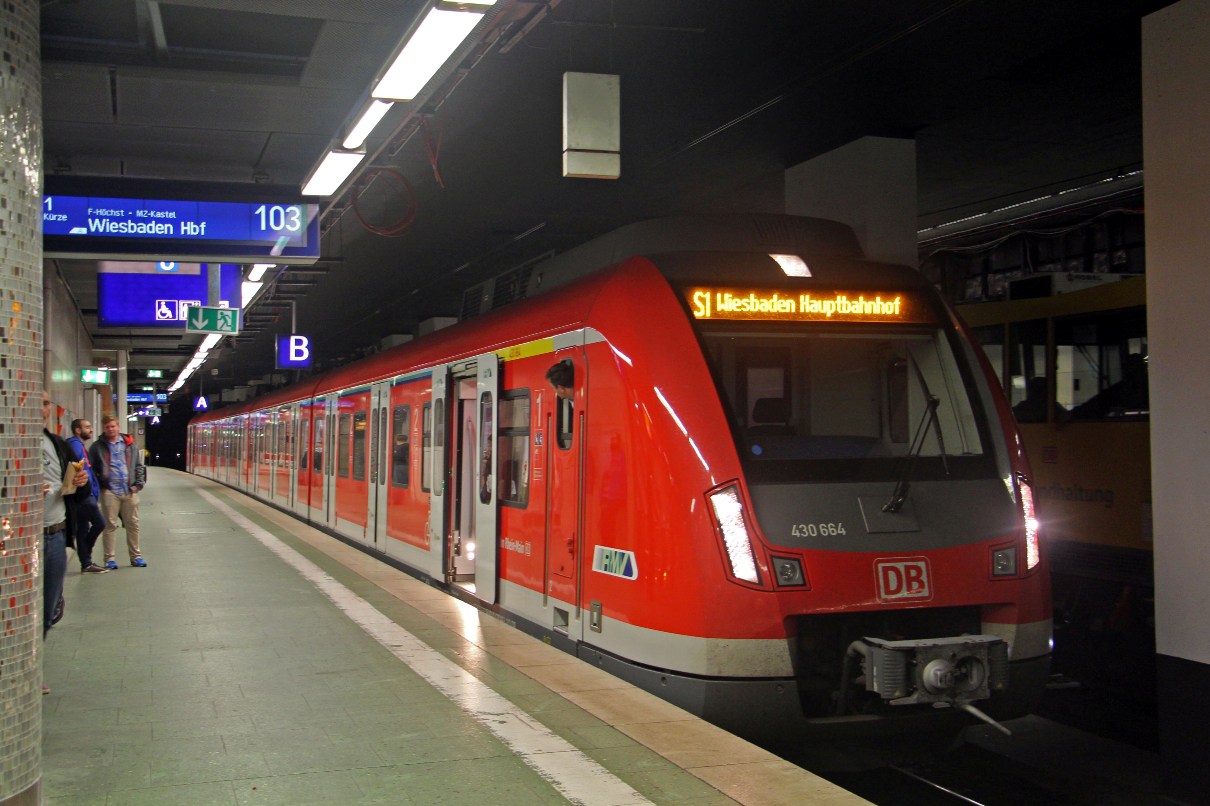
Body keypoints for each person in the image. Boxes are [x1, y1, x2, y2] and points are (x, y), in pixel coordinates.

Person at [43, 391, 87, 694]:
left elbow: (76, 489)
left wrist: (81, 484)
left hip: (55, 535)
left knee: (48, 609)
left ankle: (29, 665)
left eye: (46, 401)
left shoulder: (57, 445)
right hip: (17, 540)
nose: (41, 406)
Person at [88, 414, 148, 569]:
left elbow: (138, 466)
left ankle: (136, 557)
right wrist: (101, 484)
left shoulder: (129, 444)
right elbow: (92, 469)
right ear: (104, 428)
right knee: (110, 525)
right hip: (110, 491)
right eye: (107, 427)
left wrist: (138, 485)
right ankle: (109, 559)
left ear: (118, 427)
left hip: (130, 490)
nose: (111, 429)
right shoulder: (97, 447)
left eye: (113, 426)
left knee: (133, 524)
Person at [66, 418, 108, 574]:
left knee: (83, 528)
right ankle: (86, 550)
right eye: (87, 427)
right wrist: (87, 489)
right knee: (100, 523)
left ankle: (86, 563)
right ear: (78, 430)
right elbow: (79, 468)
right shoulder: (75, 446)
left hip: (84, 494)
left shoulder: (79, 445)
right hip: (84, 495)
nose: (91, 430)